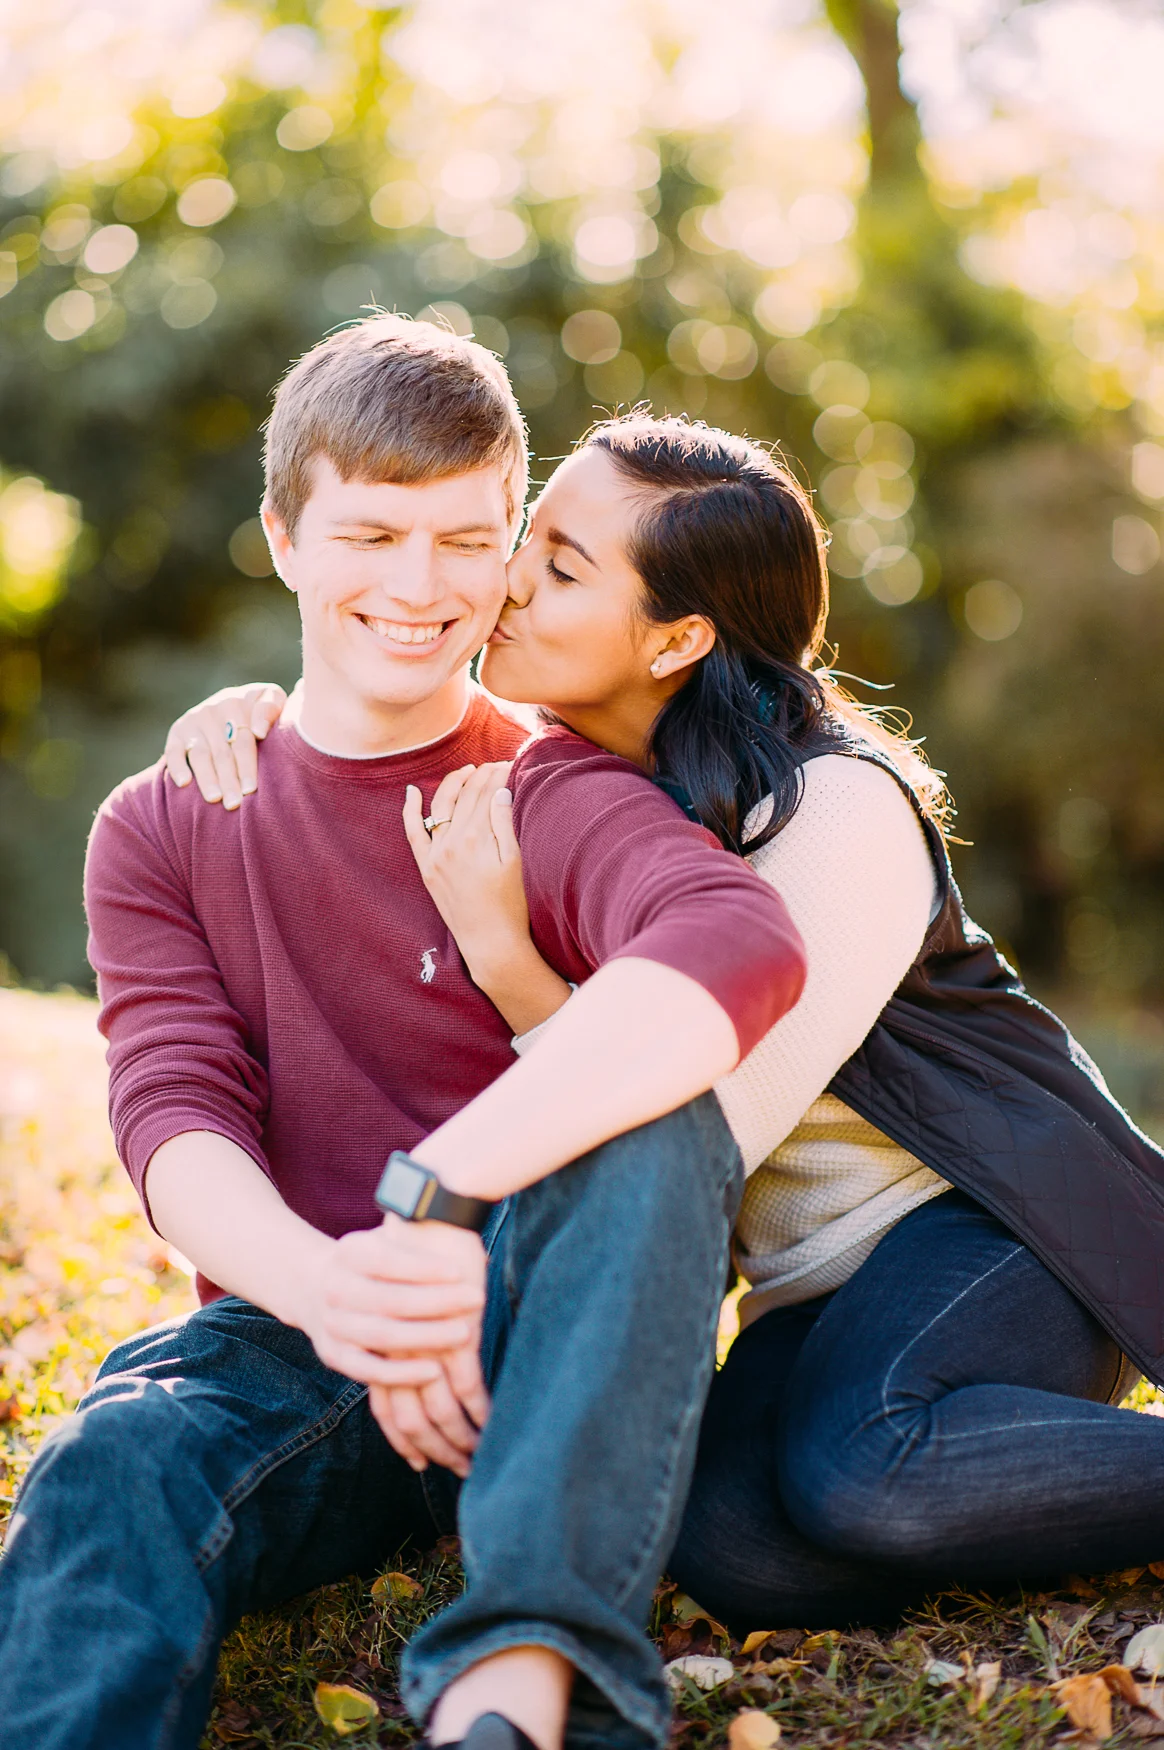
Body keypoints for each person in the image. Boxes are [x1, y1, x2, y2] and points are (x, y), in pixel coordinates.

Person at [182, 411, 1164, 1633]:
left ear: (679, 638)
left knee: (860, 1467)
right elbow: (369, 716)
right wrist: (247, 720)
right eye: (530, 542)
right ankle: (974, 1482)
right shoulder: (590, 791)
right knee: (736, 1546)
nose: (508, 590)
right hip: (816, 1296)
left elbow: (693, 1124)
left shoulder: (840, 812)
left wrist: (500, 959)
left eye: (562, 569)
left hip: (999, 1231)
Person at [0, 319, 810, 1750]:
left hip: (544, 1341)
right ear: (284, 535)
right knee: (113, 1453)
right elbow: (173, 1117)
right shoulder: (170, 821)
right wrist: (338, 1290)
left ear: (511, 541)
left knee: (659, 1116)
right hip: (293, 1334)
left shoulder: (552, 786)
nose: (422, 588)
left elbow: (738, 943)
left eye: (469, 539)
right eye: (373, 534)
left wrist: (440, 1214)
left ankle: (520, 1692)